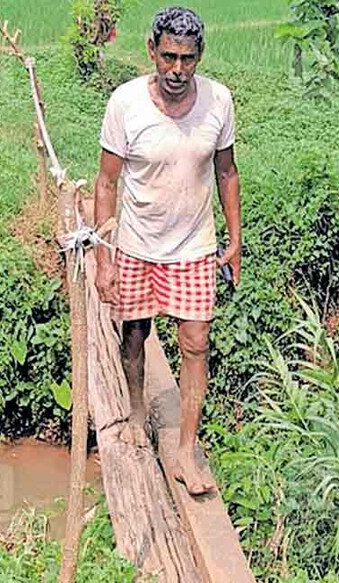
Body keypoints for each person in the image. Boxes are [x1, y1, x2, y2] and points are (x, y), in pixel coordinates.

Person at [93, 6, 241, 496]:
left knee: (196, 343)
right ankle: (136, 408)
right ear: (151, 51)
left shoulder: (218, 102)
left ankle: (185, 451)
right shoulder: (126, 104)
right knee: (134, 334)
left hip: (194, 245)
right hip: (136, 242)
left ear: (200, 57)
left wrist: (235, 238)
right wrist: (103, 256)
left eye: (189, 59)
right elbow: (106, 182)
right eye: (170, 57)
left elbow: (226, 172)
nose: (178, 70)